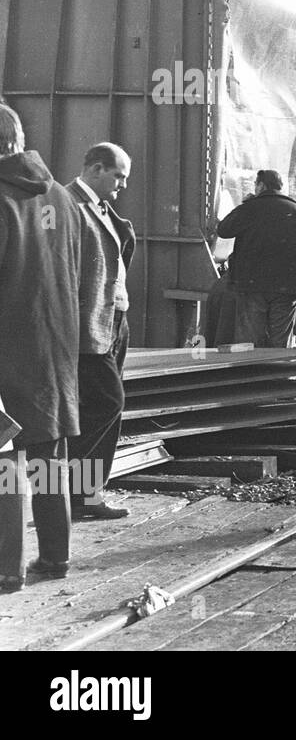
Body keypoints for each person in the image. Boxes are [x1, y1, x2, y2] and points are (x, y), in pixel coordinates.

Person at [0, 102, 81, 591]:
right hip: (54, 347)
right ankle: (55, 557)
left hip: (7, 343)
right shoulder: (62, 198)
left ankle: (6, 567)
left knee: (3, 457)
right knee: (48, 456)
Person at [65, 143, 137, 519]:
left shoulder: (103, 209)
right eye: (118, 176)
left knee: (102, 408)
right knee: (108, 403)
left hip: (112, 320)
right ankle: (78, 495)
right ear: (95, 168)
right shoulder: (69, 205)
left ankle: (85, 497)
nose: (122, 184)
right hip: (86, 327)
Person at [216, 169, 296, 348]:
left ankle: (254, 374)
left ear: (261, 186)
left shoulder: (250, 208)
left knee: (250, 342)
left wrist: (244, 204)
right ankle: (278, 375)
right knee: (280, 342)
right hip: (288, 286)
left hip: (252, 284)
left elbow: (224, 230)